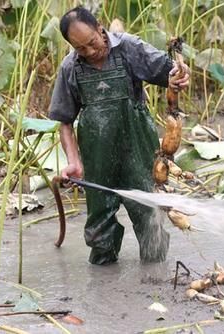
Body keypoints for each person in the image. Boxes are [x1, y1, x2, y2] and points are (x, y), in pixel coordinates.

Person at [48, 6, 190, 265]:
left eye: (92, 42)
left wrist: (180, 75)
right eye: (81, 49)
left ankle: (154, 280)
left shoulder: (129, 48)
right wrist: (74, 161)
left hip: (138, 148)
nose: (90, 52)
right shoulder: (70, 68)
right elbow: (65, 122)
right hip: (98, 155)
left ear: (100, 28)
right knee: (99, 224)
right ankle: (103, 282)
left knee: (149, 217)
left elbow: (169, 72)